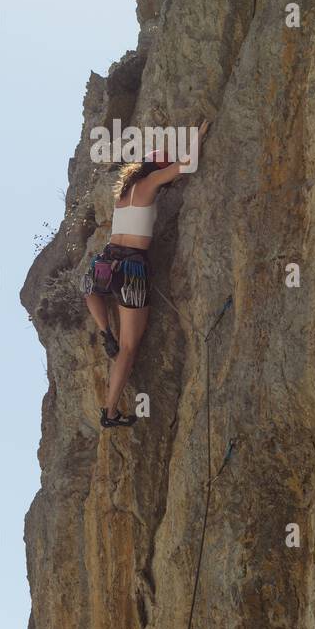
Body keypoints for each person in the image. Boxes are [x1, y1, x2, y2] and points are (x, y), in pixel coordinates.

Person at [82, 122, 209, 428]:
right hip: (132, 269)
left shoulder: (122, 194)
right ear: (155, 170)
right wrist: (199, 136)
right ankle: (110, 412)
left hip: (107, 259)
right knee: (129, 348)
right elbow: (187, 165)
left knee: (90, 289)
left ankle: (104, 331)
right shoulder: (151, 182)